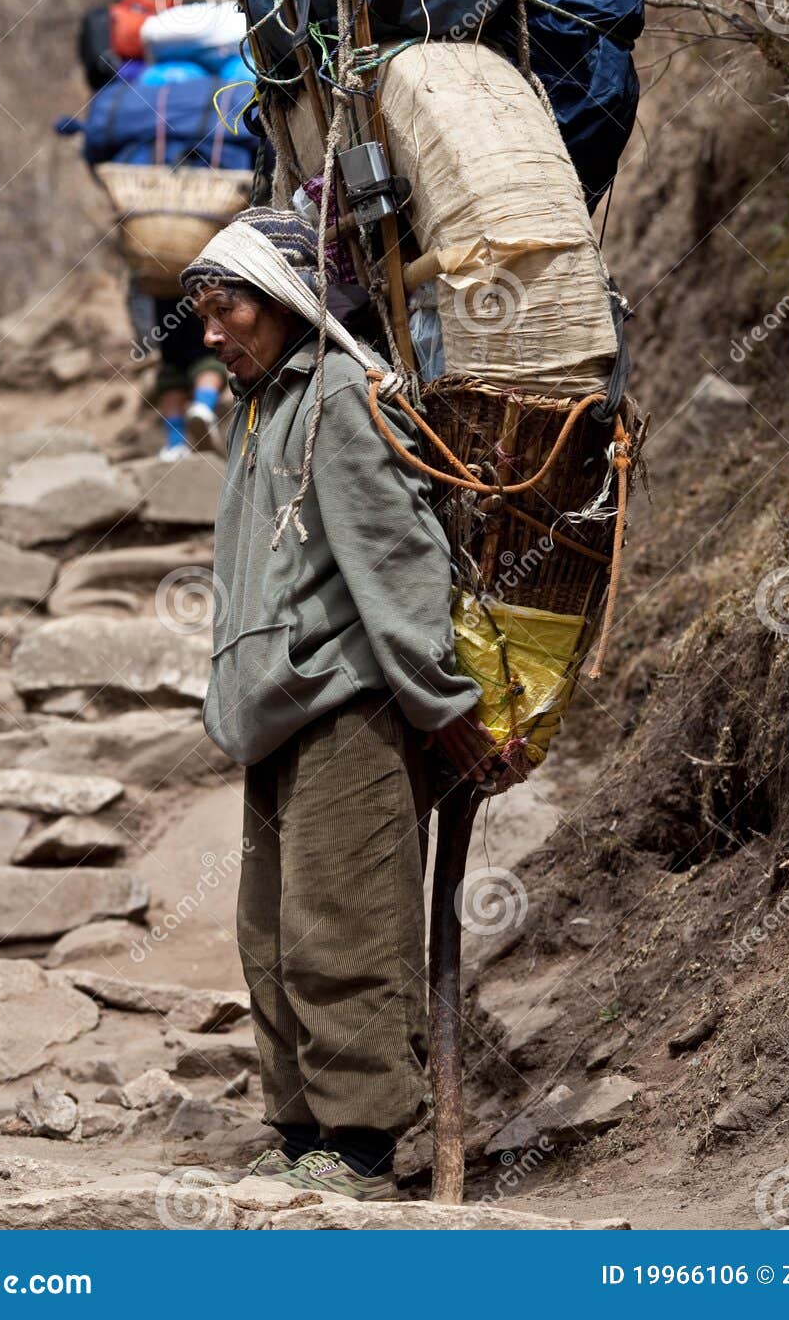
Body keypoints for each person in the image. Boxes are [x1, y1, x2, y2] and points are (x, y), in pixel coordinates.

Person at [180, 207, 523, 1201]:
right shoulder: (261, 405)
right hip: (277, 710)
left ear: (285, 300)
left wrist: (440, 705)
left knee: (344, 923)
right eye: (201, 311)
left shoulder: (337, 392)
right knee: (270, 933)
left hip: (348, 708)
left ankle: (361, 1142)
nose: (211, 330)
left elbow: (395, 563)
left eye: (227, 305)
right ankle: (296, 1131)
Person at [127, 283, 226, 459]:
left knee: (173, 368)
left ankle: (175, 444)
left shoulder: (157, 271)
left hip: (164, 298)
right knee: (207, 358)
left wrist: (145, 341)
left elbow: (138, 294)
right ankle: (202, 407)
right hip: (200, 287)